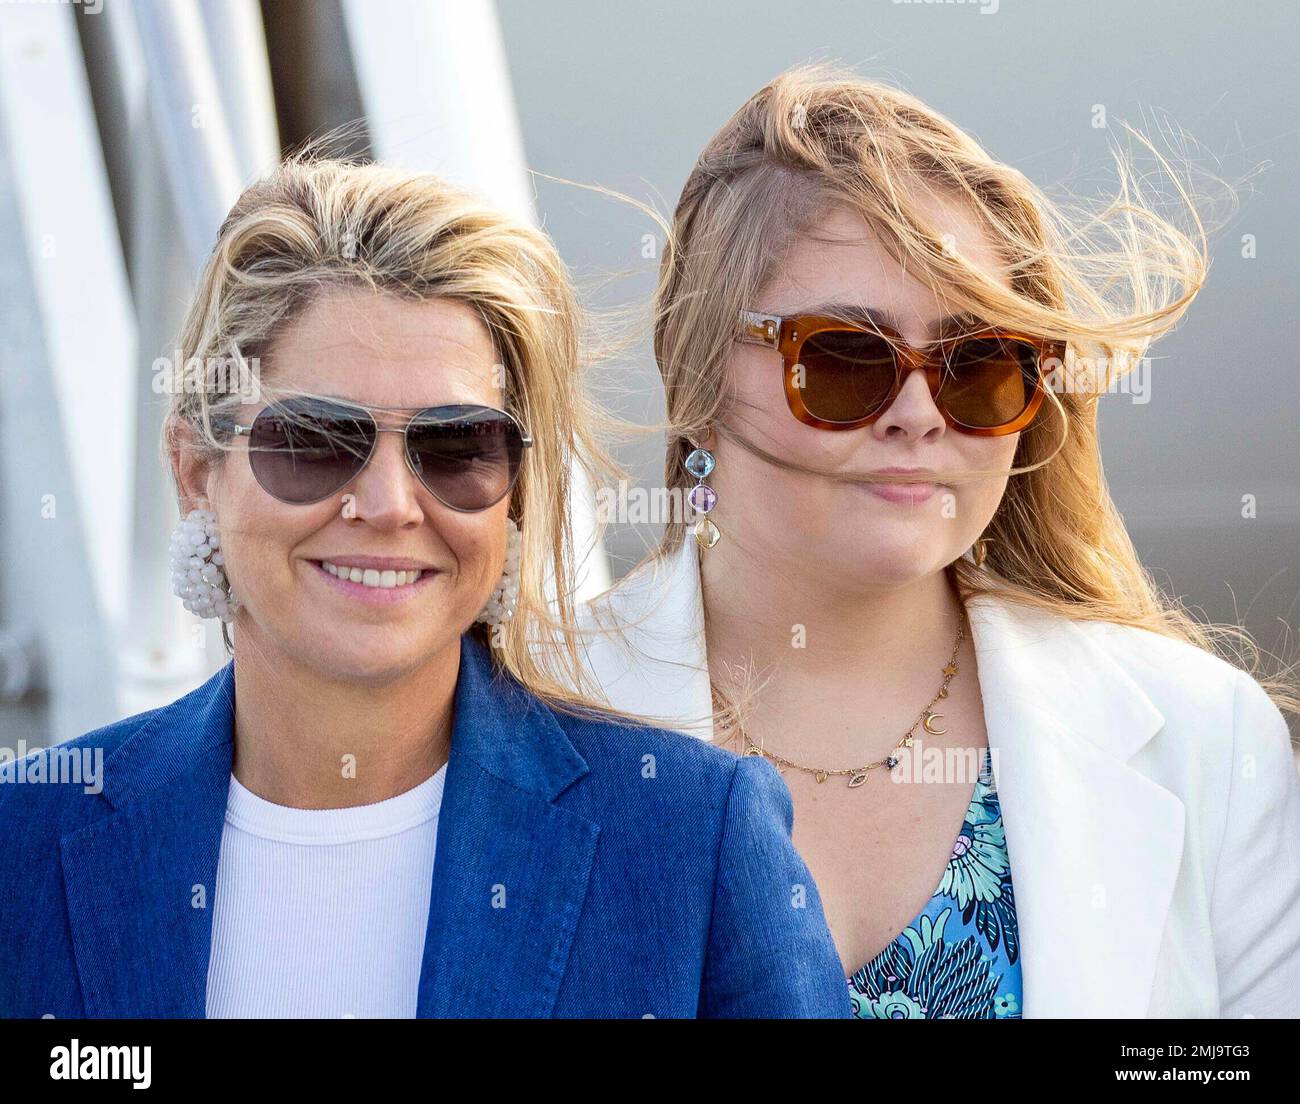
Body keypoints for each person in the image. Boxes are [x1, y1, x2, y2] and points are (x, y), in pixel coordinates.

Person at [0, 157, 849, 1019]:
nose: (388, 505)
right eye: (316, 438)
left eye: (455, 447)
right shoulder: (21, 840)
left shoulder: (691, 840)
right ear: (196, 471)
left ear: (510, 494)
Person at [577, 64, 1300, 1018]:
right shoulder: (519, 711)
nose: (919, 414)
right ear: (698, 378)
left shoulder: (1206, 734)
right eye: (843, 358)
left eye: (980, 365)